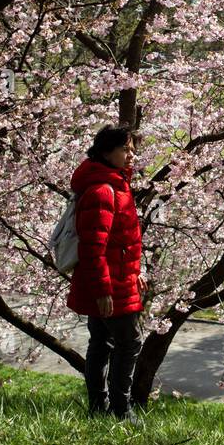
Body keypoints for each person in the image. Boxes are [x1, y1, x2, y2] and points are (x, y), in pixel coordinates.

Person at [65, 124, 147, 422]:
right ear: (105, 151)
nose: (131, 156)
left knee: (102, 343)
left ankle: (99, 408)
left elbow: (122, 241)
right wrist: (102, 290)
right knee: (129, 343)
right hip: (109, 285)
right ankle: (120, 411)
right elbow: (93, 248)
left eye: (132, 150)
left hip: (118, 279)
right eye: (125, 149)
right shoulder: (102, 190)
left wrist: (135, 271)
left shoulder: (115, 183)